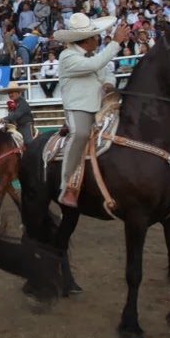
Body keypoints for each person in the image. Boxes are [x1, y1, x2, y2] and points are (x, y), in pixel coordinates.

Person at [53, 12, 131, 208]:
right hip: (78, 107)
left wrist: (108, 84)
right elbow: (94, 65)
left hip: (102, 106)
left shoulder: (92, 56)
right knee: (80, 134)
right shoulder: (67, 56)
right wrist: (116, 43)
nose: (98, 39)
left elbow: (107, 73)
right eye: (96, 36)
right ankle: (67, 185)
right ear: (87, 40)